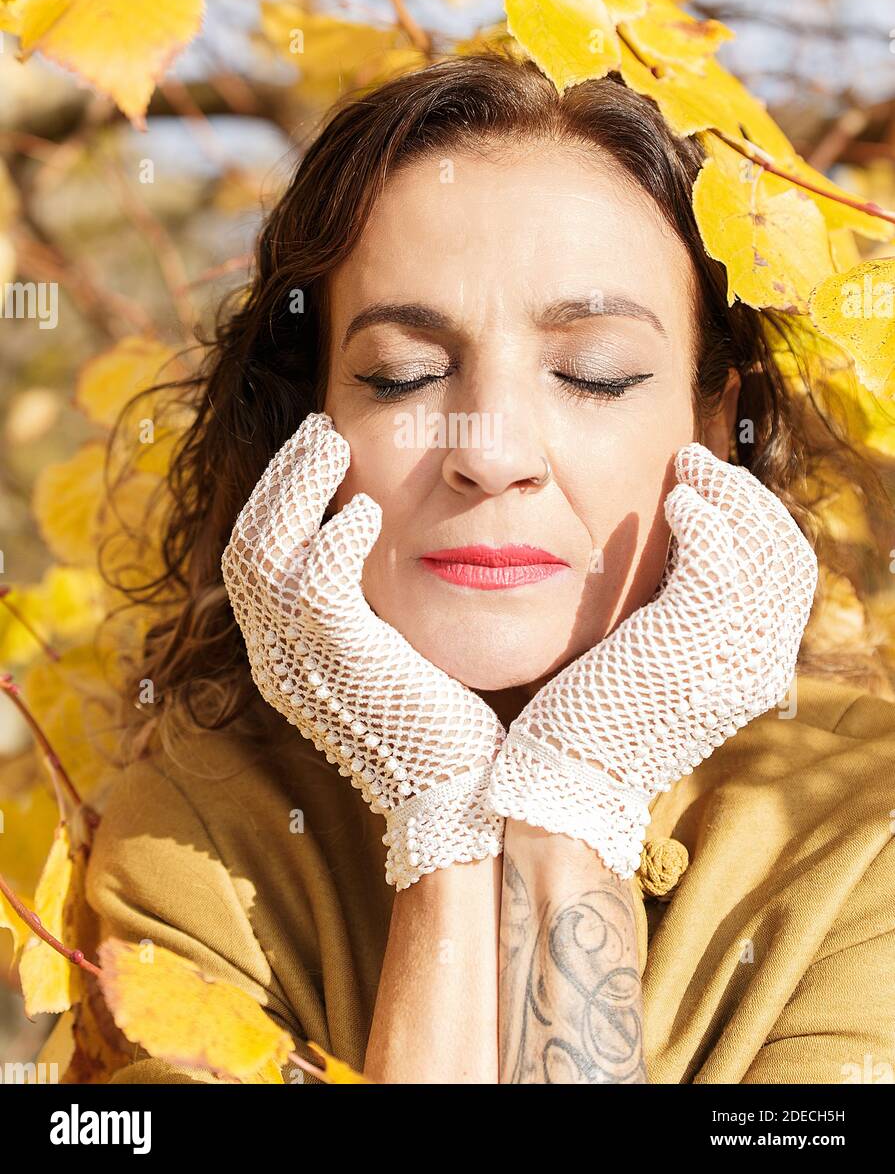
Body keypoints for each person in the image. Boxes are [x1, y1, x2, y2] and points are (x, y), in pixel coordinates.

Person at [84, 53, 895, 1084]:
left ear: (714, 426)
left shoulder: (866, 825)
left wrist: (572, 799)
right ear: (312, 429)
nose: (491, 449)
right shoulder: (202, 834)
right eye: (402, 376)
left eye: (593, 375)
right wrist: (441, 822)